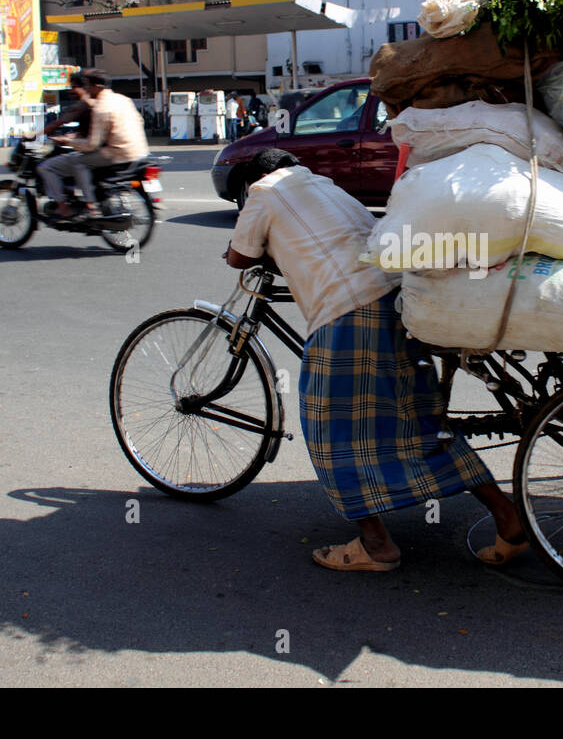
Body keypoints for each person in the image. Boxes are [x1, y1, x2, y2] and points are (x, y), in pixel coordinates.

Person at [224, 149, 528, 572]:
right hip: (400, 299)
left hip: (349, 309)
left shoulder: (264, 189)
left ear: (255, 176)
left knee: (328, 426)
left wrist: (239, 250)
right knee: (420, 422)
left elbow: (240, 255)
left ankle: (376, 544)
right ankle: (507, 517)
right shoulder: (324, 185)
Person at [36, 70, 149, 219]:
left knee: (71, 162)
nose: (86, 89)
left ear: (96, 86)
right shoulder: (123, 99)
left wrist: (67, 140)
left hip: (117, 153)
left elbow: (91, 144)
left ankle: (86, 206)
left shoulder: (99, 107)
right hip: (140, 151)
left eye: (87, 85)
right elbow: (140, 121)